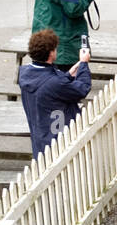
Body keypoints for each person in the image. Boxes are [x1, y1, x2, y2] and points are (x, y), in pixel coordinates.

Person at [19, 28, 92, 158]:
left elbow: (50, 84)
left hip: (40, 138)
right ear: (51, 53)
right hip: (60, 141)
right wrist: (84, 64)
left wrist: (69, 74)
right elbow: (83, 88)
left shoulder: (25, 73)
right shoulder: (55, 83)